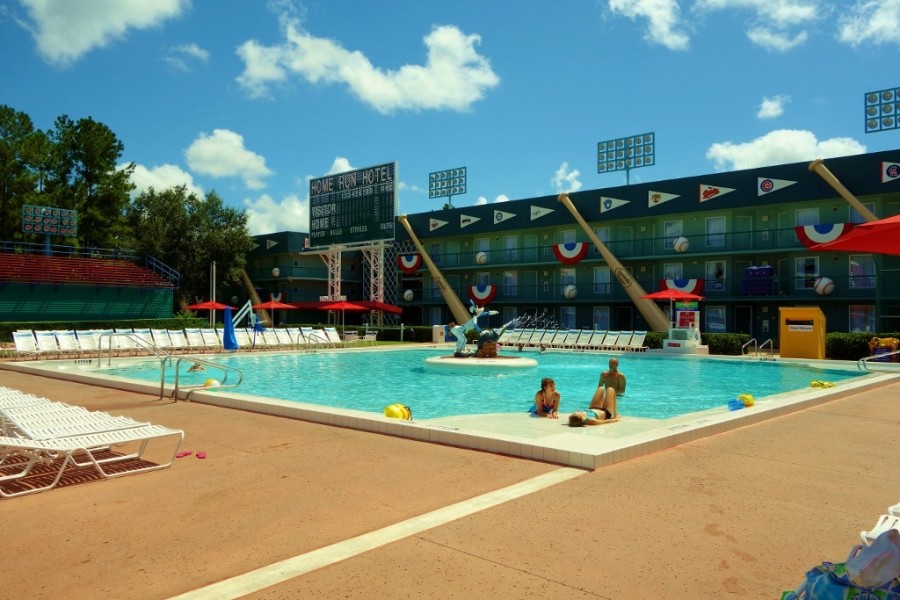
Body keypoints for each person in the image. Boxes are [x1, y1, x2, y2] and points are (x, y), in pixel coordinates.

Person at [568, 357, 624, 427]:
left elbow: (572, 419)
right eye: (576, 413)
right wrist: (615, 419)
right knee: (610, 389)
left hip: (593, 408)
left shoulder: (579, 416)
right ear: (582, 418)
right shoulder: (590, 420)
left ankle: (605, 400)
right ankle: (616, 414)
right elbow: (605, 422)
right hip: (606, 412)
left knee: (601, 388)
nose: (577, 411)